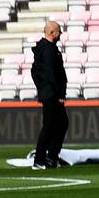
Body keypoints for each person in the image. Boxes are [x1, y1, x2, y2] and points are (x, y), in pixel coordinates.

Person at [31, 20, 68, 170]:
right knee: (50, 126)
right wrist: (57, 92)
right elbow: (51, 74)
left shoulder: (48, 48)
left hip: (50, 93)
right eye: (59, 31)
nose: (60, 34)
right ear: (51, 33)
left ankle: (51, 157)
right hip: (52, 95)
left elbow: (35, 71)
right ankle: (40, 159)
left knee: (59, 124)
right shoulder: (47, 50)